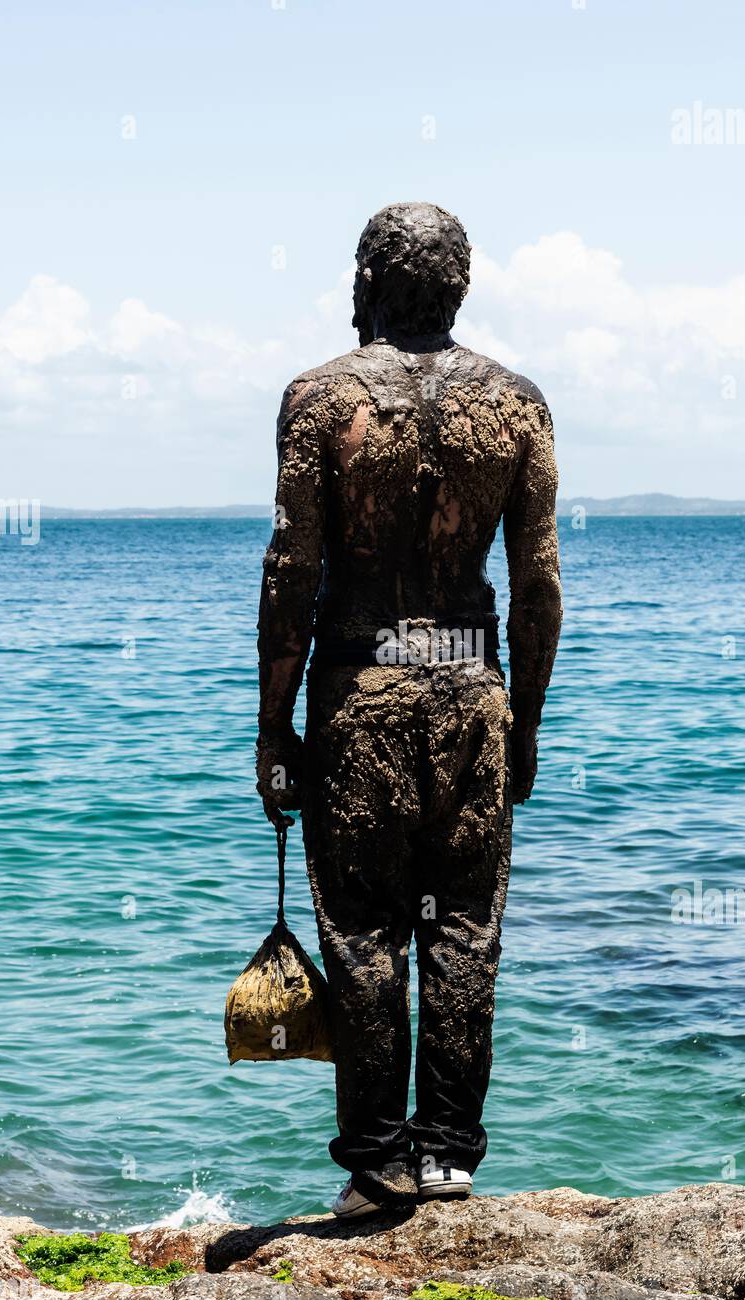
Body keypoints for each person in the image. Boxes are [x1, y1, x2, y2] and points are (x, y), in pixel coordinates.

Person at [256, 202, 562, 1218]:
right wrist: (527, 718)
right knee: (464, 927)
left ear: (367, 284)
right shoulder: (518, 405)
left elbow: (293, 571)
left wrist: (273, 725)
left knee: (364, 932)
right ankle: (448, 1156)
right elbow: (538, 587)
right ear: (460, 287)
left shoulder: (319, 399)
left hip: (360, 700)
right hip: (475, 689)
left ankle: (381, 1160)